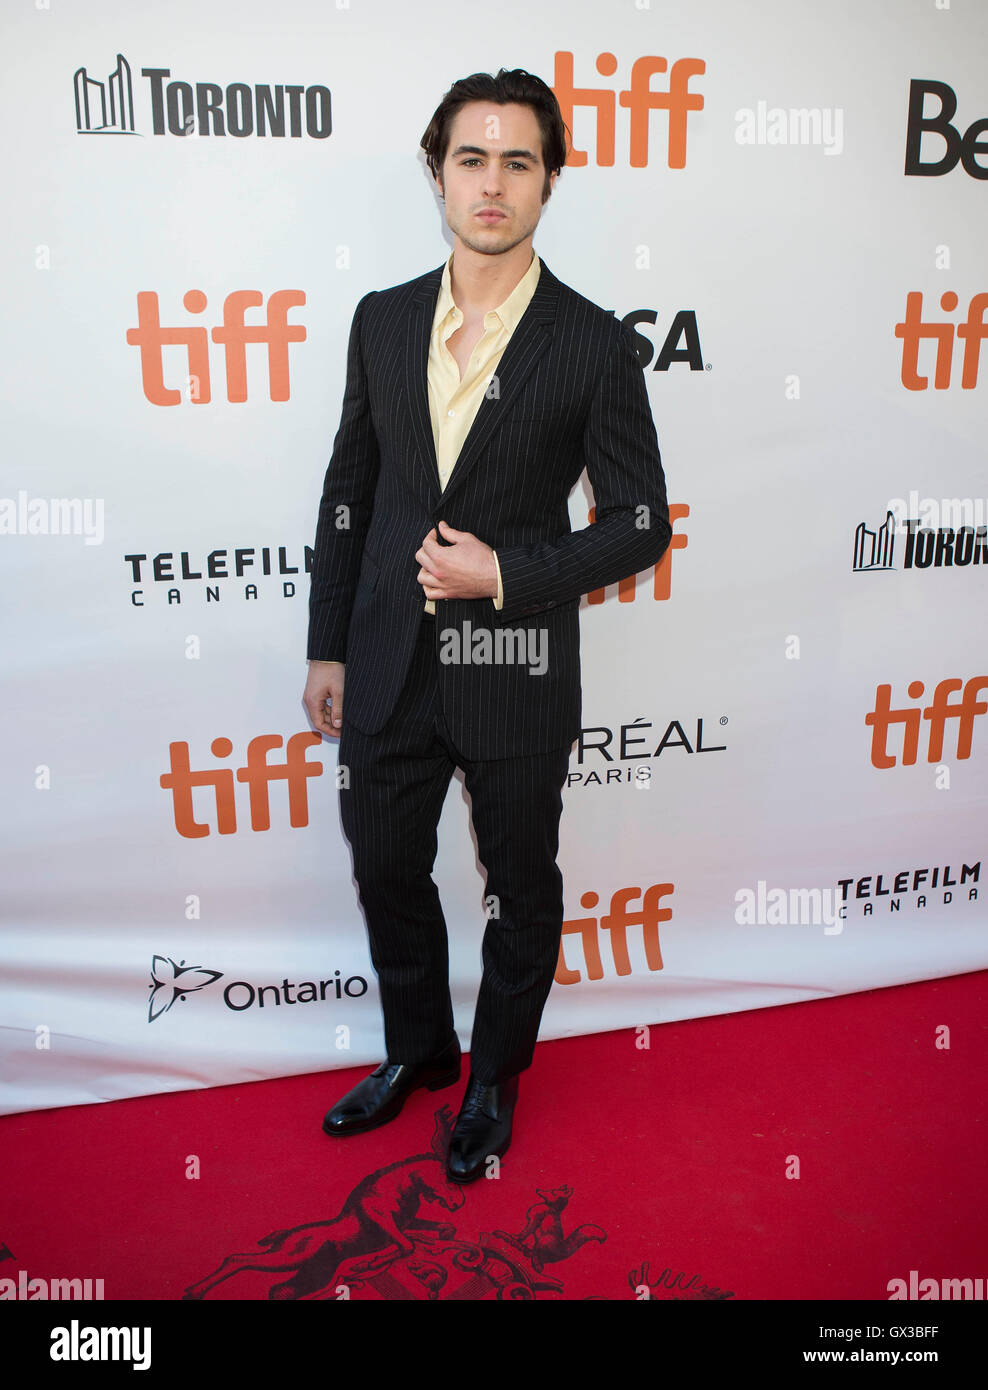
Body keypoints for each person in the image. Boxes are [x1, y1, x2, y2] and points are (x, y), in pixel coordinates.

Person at [302, 67, 671, 1184]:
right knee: (384, 867)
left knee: (520, 882)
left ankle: (495, 1077)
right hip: (381, 659)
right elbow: (348, 488)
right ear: (437, 173)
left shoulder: (595, 344)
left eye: (518, 161)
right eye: (473, 158)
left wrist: (505, 573)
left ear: (549, 182)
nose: (493, 183)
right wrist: (326, 641)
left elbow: (641, 522)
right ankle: (417, 1052)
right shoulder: (381, 318)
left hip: (511, 668)